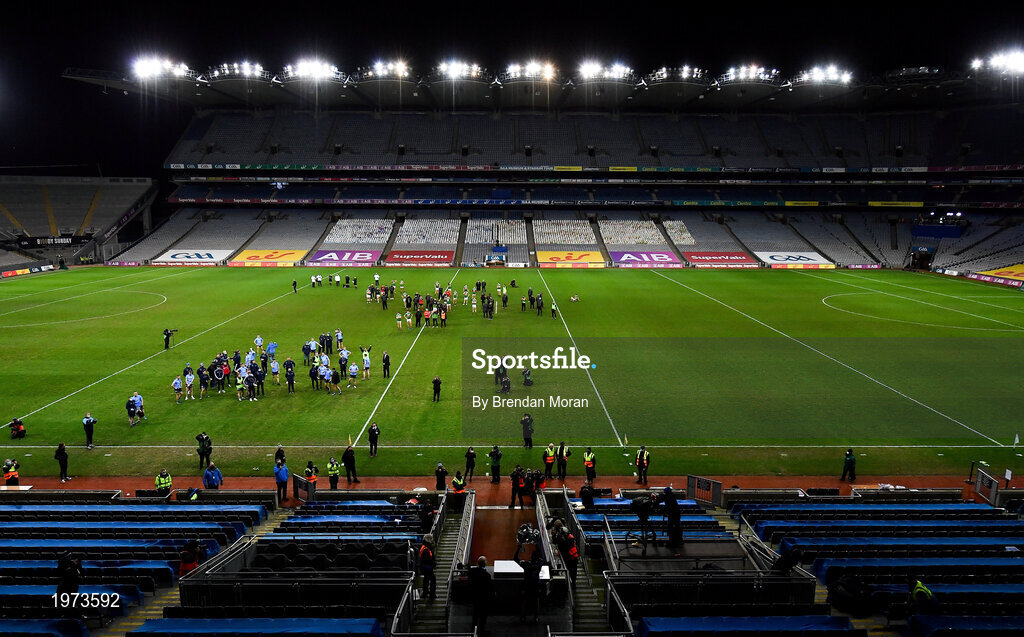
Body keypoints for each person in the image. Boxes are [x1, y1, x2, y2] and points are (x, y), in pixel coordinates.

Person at [514, 544, 545, 623]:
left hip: (526, 586)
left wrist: (518, 549)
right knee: (536, 601)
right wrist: (537, 546)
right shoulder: (539, 565)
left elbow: (515, 559)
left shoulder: (526, 564)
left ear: (531, 557)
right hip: (535, 586)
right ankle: (536, 617)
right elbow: (542, 557)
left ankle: (523, 616)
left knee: (524, 601)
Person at [468, 555, 494, 634]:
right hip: (483, 598)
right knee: (483, 615)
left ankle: (473, 630)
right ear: (484, 563)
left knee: (475, 614)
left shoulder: (472, 571)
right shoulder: (487, 575)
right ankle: (481, 631)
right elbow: (489, 587)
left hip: (475, 596)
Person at [551, 520, 579, 585]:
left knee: (571, 572)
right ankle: (572, 583)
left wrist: (554, 536)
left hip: (570, 556)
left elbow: (560, 543)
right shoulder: (567, 534)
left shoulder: (562, 534)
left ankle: (572, 584)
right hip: (573, 556)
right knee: (573, 572)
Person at [418, 534, 436, 600]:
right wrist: (434, 563)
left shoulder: (424, 547)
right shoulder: (426, 549)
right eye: (431, 539)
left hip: (424, 567)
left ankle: (425, 593)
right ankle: (432, 594)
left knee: (426, 580)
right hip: (427, 568)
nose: (432, 540)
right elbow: (428, 559)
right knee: (433, 579)